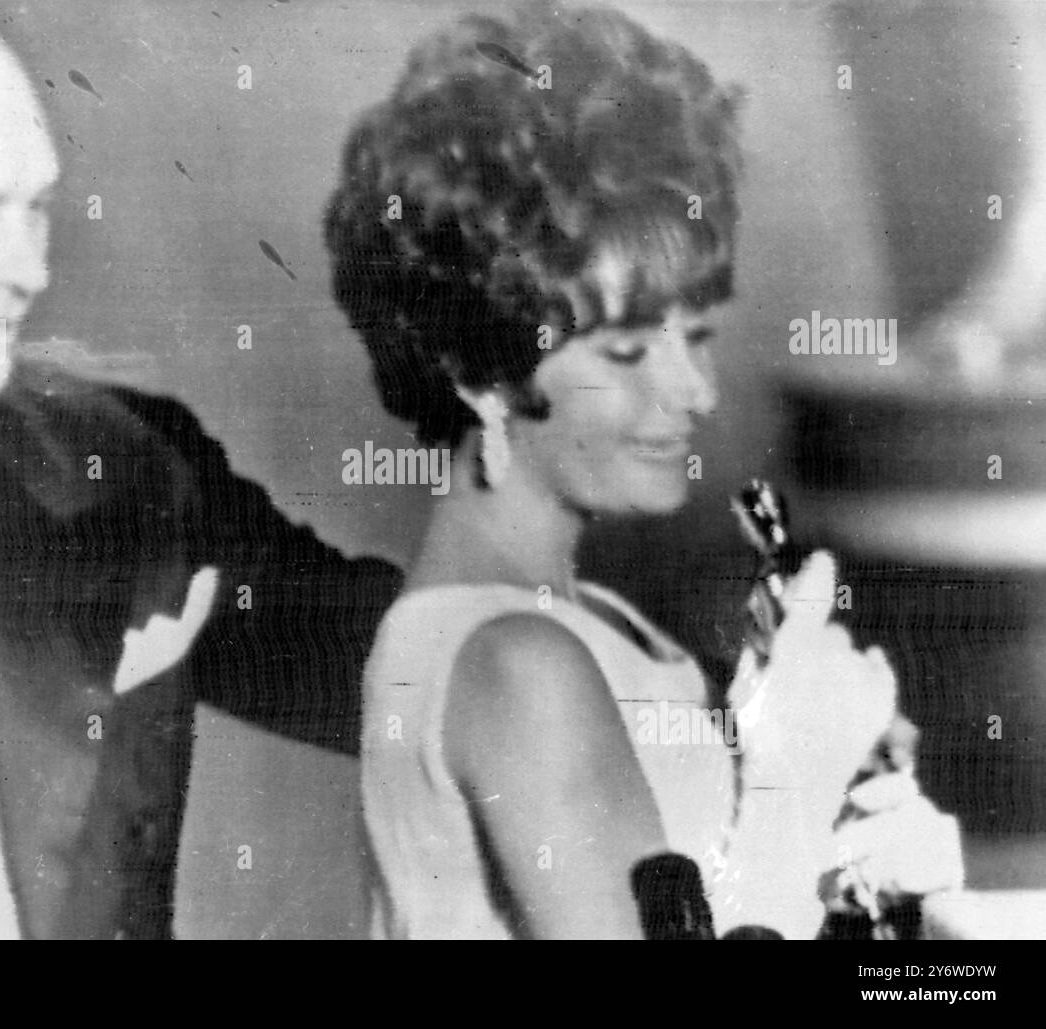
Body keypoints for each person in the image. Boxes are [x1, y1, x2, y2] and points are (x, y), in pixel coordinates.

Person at [0, 0, 398, 939]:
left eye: (37, 211)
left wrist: (658, 683)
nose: (25, 271)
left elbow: (404, 660)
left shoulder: (126, 465)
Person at [324, 3, 962, 939]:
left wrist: (849, 854)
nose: (696, 390)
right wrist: (795, 777)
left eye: (696, 336)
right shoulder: (520, 664)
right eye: (627, 354)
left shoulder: (589, 624)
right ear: (479, 372)